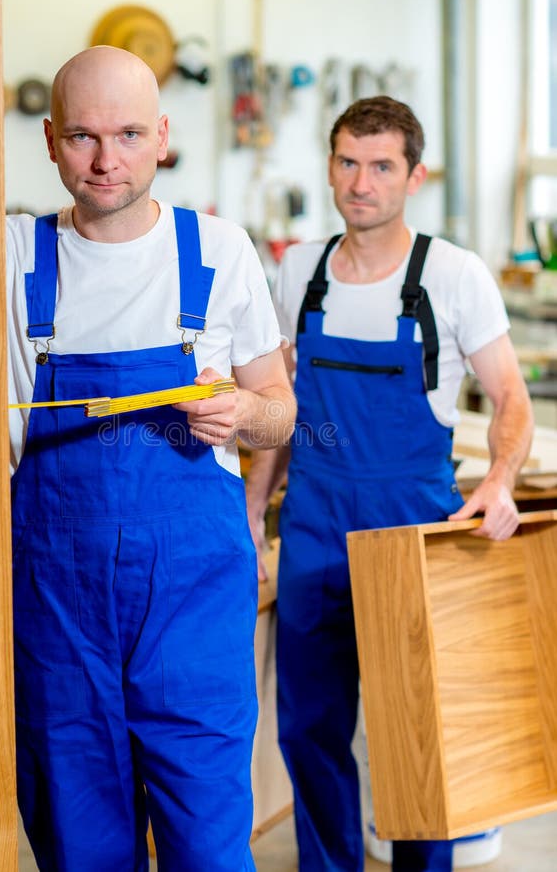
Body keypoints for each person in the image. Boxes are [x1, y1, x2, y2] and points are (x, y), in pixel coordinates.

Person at [6, 45, 296, 872]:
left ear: (162, 136)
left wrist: (244, 412)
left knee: (208, 846)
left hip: (192, 606)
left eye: (130, 135)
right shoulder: (11, 257)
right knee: (81, 844)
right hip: (57, 607)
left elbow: (280, 413)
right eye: (83, 137)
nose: (107, 161)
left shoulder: (219, 251)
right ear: (51, 139)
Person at [245, 95, 533, 872]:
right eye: (347, 162)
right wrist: (250, 515)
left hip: (412, 531)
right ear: (329, 166)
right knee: (308, 726)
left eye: (380, 166)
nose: (360, 182)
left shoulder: (452, 275)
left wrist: (499, 480)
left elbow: (510, 397)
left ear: (414, 176)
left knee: (415, 731)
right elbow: (279, 407)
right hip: (312, 531)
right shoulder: (299, 270)